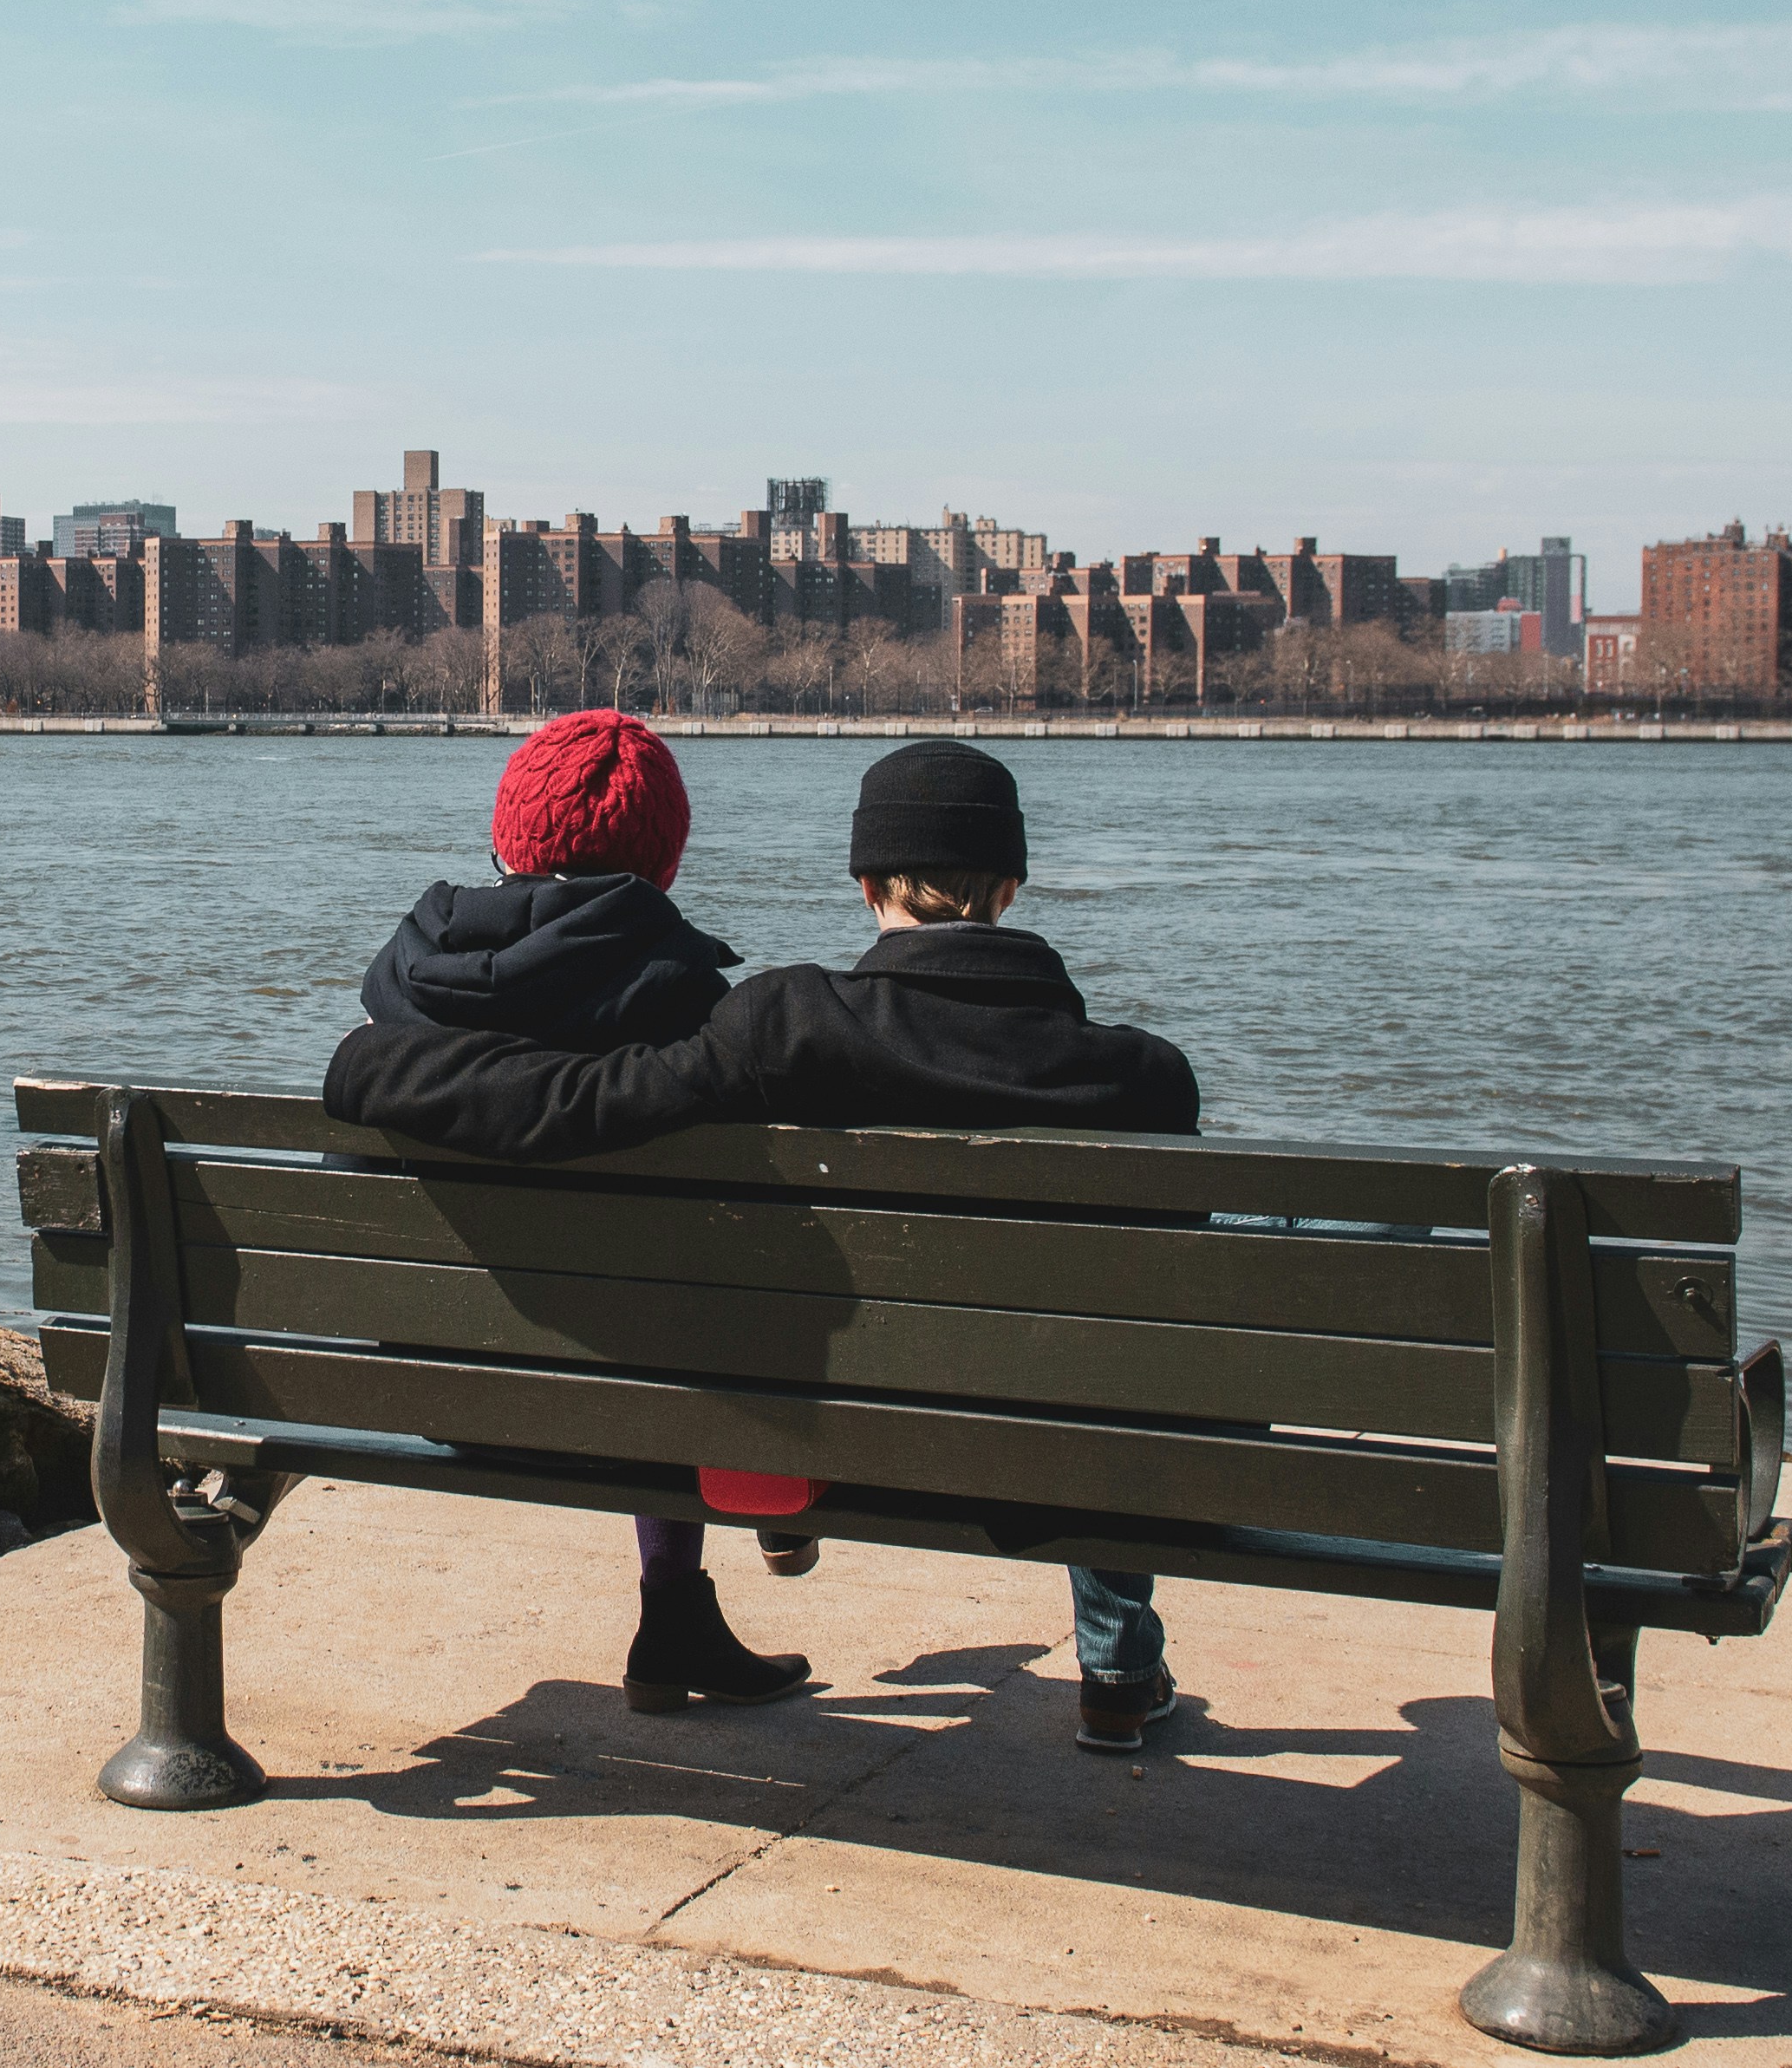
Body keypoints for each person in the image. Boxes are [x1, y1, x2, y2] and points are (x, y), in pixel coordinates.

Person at [327, 737, 1203, 1752]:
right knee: (1101, 1346)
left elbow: (583, 1099)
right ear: (1011, 884)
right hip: (1045, 1466)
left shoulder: (780, 1026)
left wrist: (370, 1059)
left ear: (865, 881)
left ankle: (765, 1547)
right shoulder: (1148, 1083)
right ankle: (1118, 1664)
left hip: (801, 1444)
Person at [353, 709, 813, 1717]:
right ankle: (688, 1590)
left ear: (508, 835)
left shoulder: (402, 997)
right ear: (665, 857)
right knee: (682, 1312)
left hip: (438, 1389)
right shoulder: (687, 1014)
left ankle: (675, 1615)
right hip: (638, 1404)